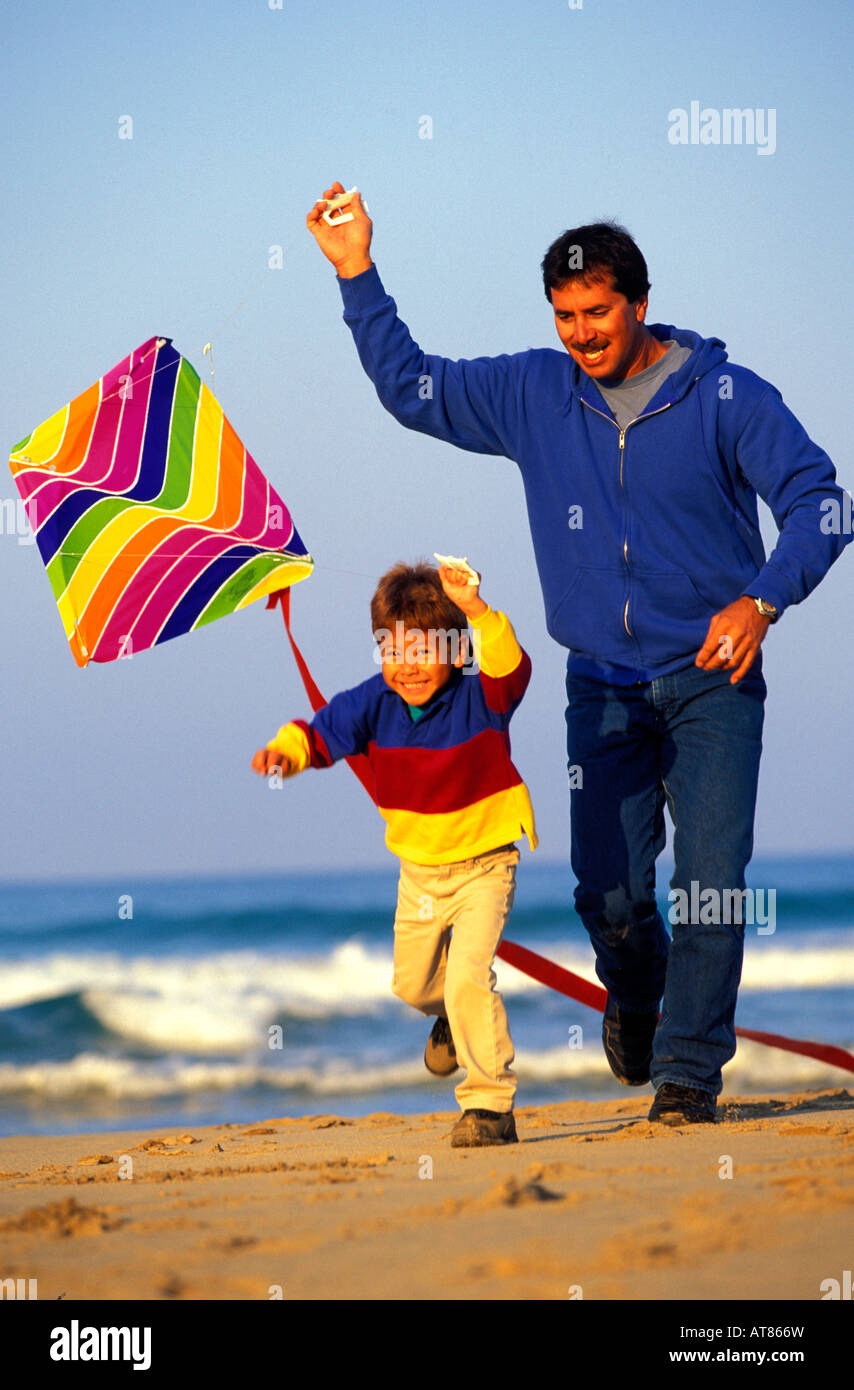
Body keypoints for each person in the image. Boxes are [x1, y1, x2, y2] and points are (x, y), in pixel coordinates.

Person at [305, 182, 853, 1126]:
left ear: (638, 303)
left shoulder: (723, 394)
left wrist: (762, 599)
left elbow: (824, 501)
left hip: (713, 681)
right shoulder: (534, 392)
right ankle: (632, 993)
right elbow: (413, 388)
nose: (581, 335)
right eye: (565, 317)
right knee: (608, 895)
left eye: (597, 314)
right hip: (599, 685)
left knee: (712, 886)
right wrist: (356, 269)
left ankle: (687, 1078)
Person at [252, 560, 537, 1146]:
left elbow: (512, 665)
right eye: (391, 649)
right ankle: (450, 1026)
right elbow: (318, 733)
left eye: (422, 650)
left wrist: (479, 611)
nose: (405, 665)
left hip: (485, 864)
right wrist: (286, 753)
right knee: (413, 986)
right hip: (420, 875)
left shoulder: (482, 695)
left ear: (457, 649)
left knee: (466, 981)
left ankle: (490, 1107)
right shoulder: (373, 703)